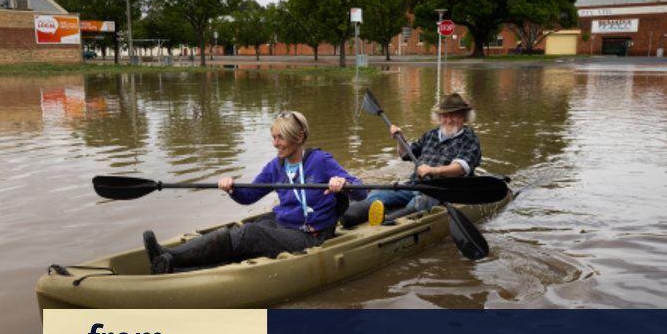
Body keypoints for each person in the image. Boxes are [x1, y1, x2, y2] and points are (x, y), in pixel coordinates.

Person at [143, 111, 367, 274]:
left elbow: (361, 192)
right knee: (239, 231)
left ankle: (171, 256)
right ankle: (173, 264)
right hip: (281, 223)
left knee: (250, 234)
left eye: (280, 137)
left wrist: (343, 183)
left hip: (312, 234)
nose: (275, 144)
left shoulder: (320, 161)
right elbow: (249, 196)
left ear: (299, 137)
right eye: (273, 137)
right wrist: (231, 188)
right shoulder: (275, 166)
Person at [353, 92, 481, 224]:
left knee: (421, 202)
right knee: (377, 195)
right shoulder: (431, 134)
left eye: (453, 115)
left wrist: (432, 170)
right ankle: (350, 215)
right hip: (414, 185)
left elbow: (461, 168)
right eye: (444, 116)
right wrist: (401, 139)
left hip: (441, 192)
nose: (448, 120)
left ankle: (390, 222)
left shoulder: (470, 138)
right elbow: (407, 154)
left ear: (463, 117)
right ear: (439, 117)